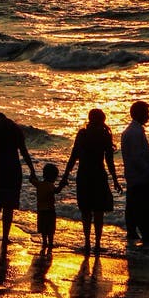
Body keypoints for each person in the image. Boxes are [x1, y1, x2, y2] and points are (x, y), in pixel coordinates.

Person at [58, 108, 121, 254]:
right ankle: (97, 244)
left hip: (84, 175)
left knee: (86, 211)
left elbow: (73, 156)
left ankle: (87, 243)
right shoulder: (104, 135)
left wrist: (65, 176)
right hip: (99, 175)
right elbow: (109, 160)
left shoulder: (82, 134)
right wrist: (115, 179)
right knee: (99, 212)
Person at [0, 112, 35, 251]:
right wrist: (32, 169)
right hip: (13, 170)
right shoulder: (15, 130)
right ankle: (5, 237)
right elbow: (23, 151)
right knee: (9, 206)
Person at [120, 100, 149, 241]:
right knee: (138, 206)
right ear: (139, 114)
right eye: (146, 113)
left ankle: (133, 232)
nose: (148, 116)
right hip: (139, 177)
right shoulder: (135, 132)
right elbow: (136, 157)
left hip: (135, 176)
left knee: (133, 205)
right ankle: (135, 233)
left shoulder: (134, 130)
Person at [29, 162, 60, 252]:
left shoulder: (39, 184)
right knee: (50, 229)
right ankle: (50, 243)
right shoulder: (51, 185)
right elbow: (57, 191)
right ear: (53, 177)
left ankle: (44, 242)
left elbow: (31, 180)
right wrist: (63, 184)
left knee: (43, 229)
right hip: (50, 211)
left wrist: (32, 172)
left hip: (41, 211)